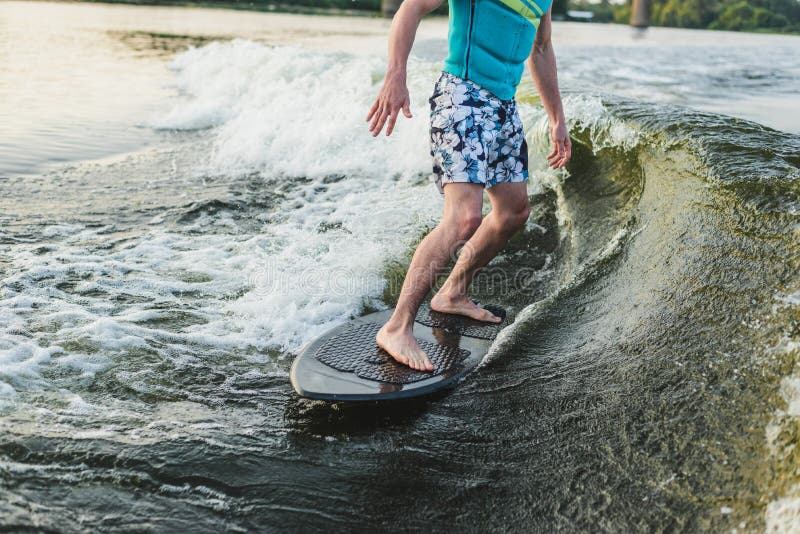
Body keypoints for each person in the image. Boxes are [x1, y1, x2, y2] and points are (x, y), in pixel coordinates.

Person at [366, 0, 571, 371]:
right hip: (462, 97)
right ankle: (397, 327)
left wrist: (557, 117)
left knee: (512, 212)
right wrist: (395, 74)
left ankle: (452, 293)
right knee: (463, 218)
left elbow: (540, 49)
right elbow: (410, 8)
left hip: (504, 107)